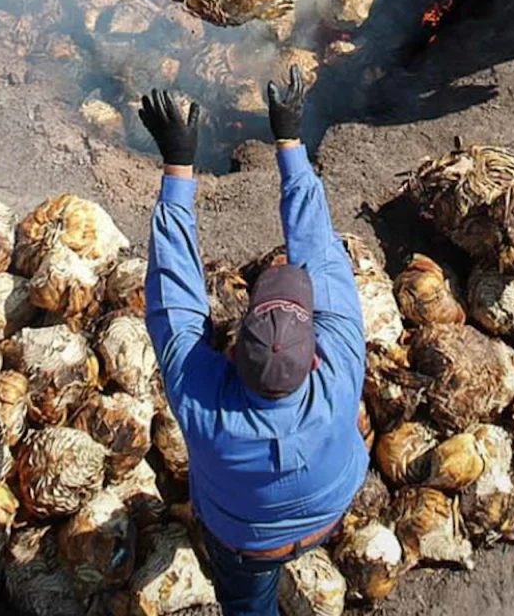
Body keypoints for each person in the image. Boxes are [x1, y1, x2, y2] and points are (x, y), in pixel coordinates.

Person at [136, 68, 368, 616]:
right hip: (332, 510)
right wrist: (289, 141)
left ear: (232, 352)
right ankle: (305, 548)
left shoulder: (202, 405)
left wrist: (178, 166)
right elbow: (316, 246)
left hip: (245, 542)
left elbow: (175, 298)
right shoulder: (340, 368)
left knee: (245, 600)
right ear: (314, 353)